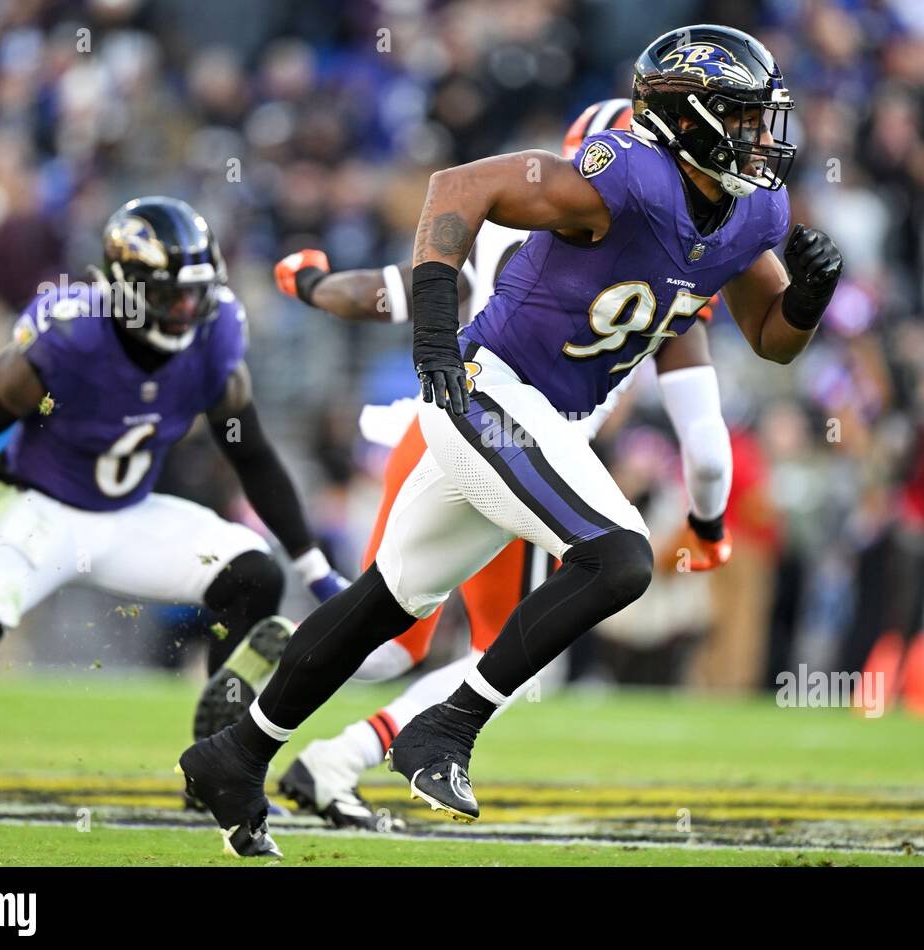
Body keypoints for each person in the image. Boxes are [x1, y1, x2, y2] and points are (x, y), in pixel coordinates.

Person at [179, 25, 842, 858]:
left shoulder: (755, 210)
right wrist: (429, 339)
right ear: (688, 117)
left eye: (760, 117)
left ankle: (234, 755)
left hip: (540, 423)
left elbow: (772, 338)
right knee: (620, 557)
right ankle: (445, 732)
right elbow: (458, 188)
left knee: (383, 606)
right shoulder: (627, 174)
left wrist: (809, 299)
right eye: (742, 117)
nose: (760, 136)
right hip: (488, 390)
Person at [271, 100, 735, 829]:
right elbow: (705, 440)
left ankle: (301, 732)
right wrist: (709, 527)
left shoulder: (515, 227)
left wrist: (306, 282)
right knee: (506, 655)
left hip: (437, 428)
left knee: (391, 638)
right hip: (512, 447)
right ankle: (342, 747)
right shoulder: (669, 268)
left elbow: (376, 293)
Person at [0, 197, 344, 751]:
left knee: (256, 575)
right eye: (169, 294)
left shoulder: (214, 334)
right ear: (124, 288)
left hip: (129, 516)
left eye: (195, 292)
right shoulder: (71, 336)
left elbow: (254, 457)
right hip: (39, 511)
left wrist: (315, 567)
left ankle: (219, 758)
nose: (186, 309)